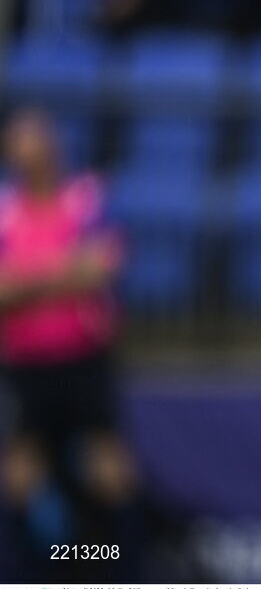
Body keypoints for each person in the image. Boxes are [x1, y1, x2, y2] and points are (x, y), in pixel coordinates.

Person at [0, 109, 134, 581]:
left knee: (108, 472)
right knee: (21, 478)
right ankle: (41, 572)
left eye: (33, 139)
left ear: (52, 146)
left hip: (85, 360)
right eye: (17, 141)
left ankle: (108, 568)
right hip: (25, 365)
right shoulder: (5, 211)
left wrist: (27, 279)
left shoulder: (88, 200)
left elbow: (102, 267)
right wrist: (64, 271)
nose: (24, 150)